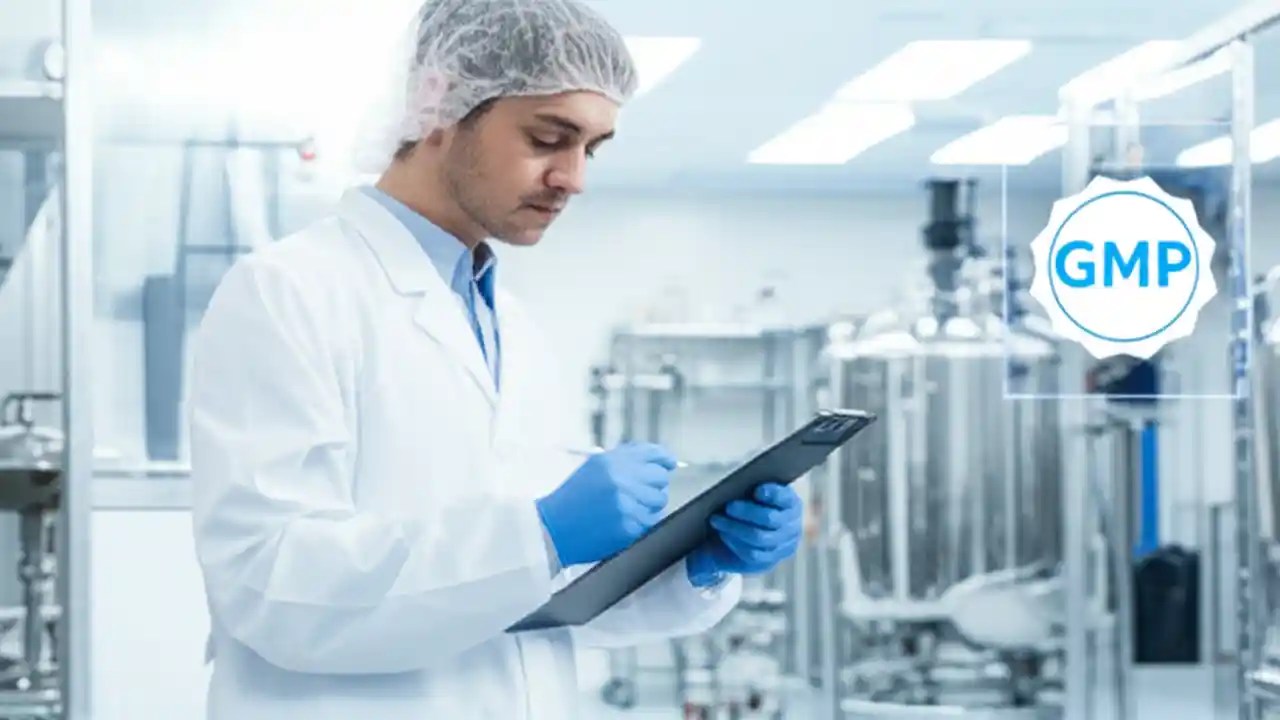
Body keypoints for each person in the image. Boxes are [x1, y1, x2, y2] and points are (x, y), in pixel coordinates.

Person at [187, 1, 805, 718]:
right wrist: (540, 531)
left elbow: (544, 602)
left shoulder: (513, 328)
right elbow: (271, 586)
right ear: (439, 102)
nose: (573, 178)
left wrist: (692, 563)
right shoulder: (289, 293)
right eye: (549, 137)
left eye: (592, 148)